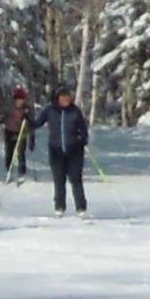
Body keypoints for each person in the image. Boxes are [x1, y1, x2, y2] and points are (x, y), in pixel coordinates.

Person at [39, 88, 91, 216]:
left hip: (74, 151)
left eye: (68, 97)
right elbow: (37, 123)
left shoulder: (75, 111)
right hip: (56, 151)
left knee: (76, 179)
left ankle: (81, 207)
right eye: (63, 97)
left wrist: (82, 139)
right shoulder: (50, 111)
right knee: (59, 180)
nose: (65, 100)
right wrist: (26, 120)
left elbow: (83, 129)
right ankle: (59, 206)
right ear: (57, 98)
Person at [0, 86, 34, 185]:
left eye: (22, 100)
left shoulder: (27, 109)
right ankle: (9, 172)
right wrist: (0, 118)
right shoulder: (9, 107)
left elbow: (31, 123)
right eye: (18, 100)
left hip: (21, 132)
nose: (20, 102)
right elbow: (2, 115)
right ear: (15, 100)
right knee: (9, 152)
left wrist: (32, 138)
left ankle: (22, 173)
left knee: (21, 153)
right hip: (9, 131)